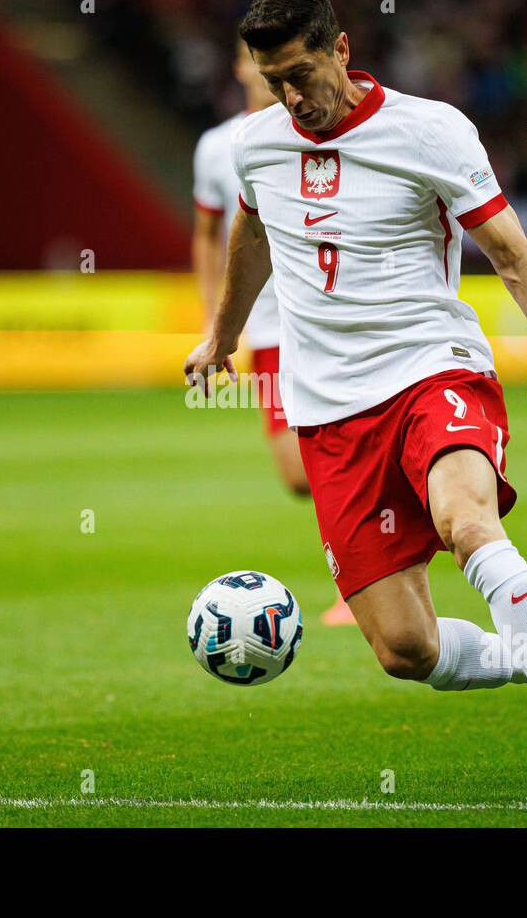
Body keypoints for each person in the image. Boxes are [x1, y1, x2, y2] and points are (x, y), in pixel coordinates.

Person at [183, 0, 527, 798]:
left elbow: (513, 255)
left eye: (300, 74)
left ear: (341, 51)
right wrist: (220, 338)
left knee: (466, 520)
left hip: (434, 369)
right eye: (271, 79)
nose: (291, 97)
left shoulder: (429, 130)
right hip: (330, 409)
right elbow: (249, 235)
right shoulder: (254, 146)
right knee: (406, 650)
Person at [192, 35, 355, 626]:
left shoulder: (325, 131)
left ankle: (364, 580)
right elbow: (210, 236)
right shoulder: (220, 147)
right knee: (296, 472)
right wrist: (217, 324)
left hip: (317, 321)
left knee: (323, 455)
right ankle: (390, 519)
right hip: (262, 330)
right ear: (242, 66)